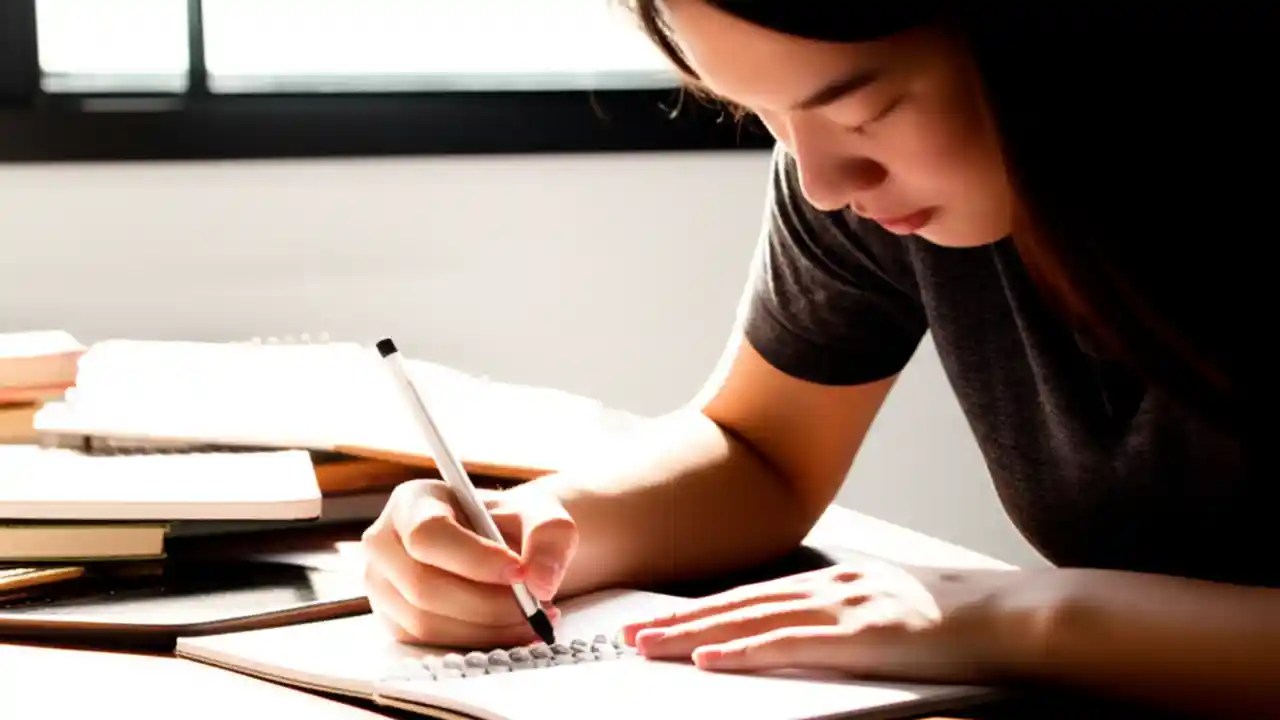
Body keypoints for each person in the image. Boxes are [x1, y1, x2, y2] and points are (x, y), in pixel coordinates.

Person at [360, 3, 1274, 717]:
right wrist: (537, 532)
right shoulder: (868, 195)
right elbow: (761, 449)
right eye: (762, 115)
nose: (823, 183)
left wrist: (1015, 616)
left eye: (863, 112)